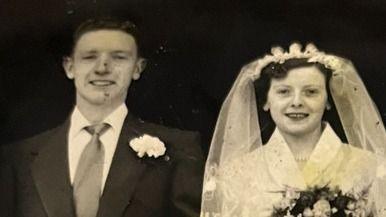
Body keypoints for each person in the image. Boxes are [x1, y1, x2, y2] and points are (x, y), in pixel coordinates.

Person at [1, 17, 204, 217]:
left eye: (118, 57)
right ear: (69, 67)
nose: (101, 69)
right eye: (89, 57)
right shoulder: (18, 158)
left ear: (137, 68)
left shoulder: (179, 151)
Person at [200, 43, 386, 217]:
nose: (297, 102)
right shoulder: (236, 175)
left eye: (311, 92)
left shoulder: (367, 167)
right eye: (284, 91)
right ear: (266, 101)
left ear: (328, 99)